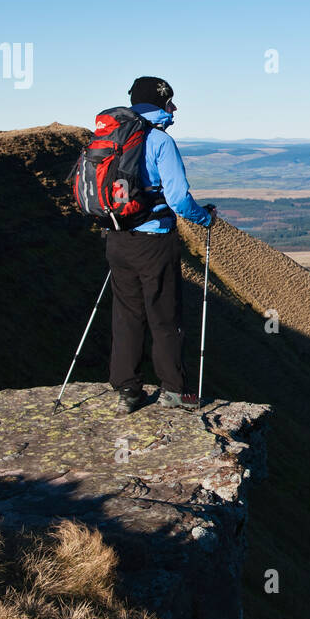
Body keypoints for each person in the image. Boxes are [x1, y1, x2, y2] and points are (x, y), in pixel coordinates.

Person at [107, 75, 216, 413]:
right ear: (159, 103)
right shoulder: (159, 141)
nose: (175, 107)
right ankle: (173, 391)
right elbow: (179, 199)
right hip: (154, 241)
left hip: (116, 237)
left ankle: (128, 391)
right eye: (170, 101)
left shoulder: (111, 136)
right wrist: (206, 218)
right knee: (164, 315)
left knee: (127, 315)